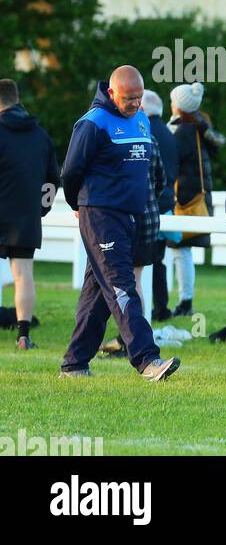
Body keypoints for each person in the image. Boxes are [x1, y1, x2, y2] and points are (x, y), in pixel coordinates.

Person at [59, 66, 179, 380]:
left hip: (131, 216)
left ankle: (74, 363)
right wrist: (78, 205)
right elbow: (70, 172)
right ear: (112, 93)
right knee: (121, 286)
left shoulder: (141, 119)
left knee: (98, 291)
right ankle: (147, 359)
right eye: (129, 99)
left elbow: (150, 166)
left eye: (139, 98)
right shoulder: (92, 123)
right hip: (101, 215)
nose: (135, 104)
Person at [0, 78, 60, 351]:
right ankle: (23, 335)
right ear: (17, 98)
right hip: (25, 216)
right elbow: (52, 179)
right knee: (23, 274)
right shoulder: (40, 135)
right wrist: (41, 209)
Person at [167, 82, 225, 318]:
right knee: (182, 252)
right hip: (198, 194)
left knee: (179, 251)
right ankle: (185, 300)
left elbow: (170, 163)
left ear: (179, 107)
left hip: (184, 198)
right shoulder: (201, 126)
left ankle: (184, 301)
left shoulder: (182, 131)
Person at [141, 90, 178, 322]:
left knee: (147, 260)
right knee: (158, 260)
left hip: (152, 203)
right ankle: (161, 306)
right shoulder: (169, 133)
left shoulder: (146, 133)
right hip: (167, 202)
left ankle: (155, 308)